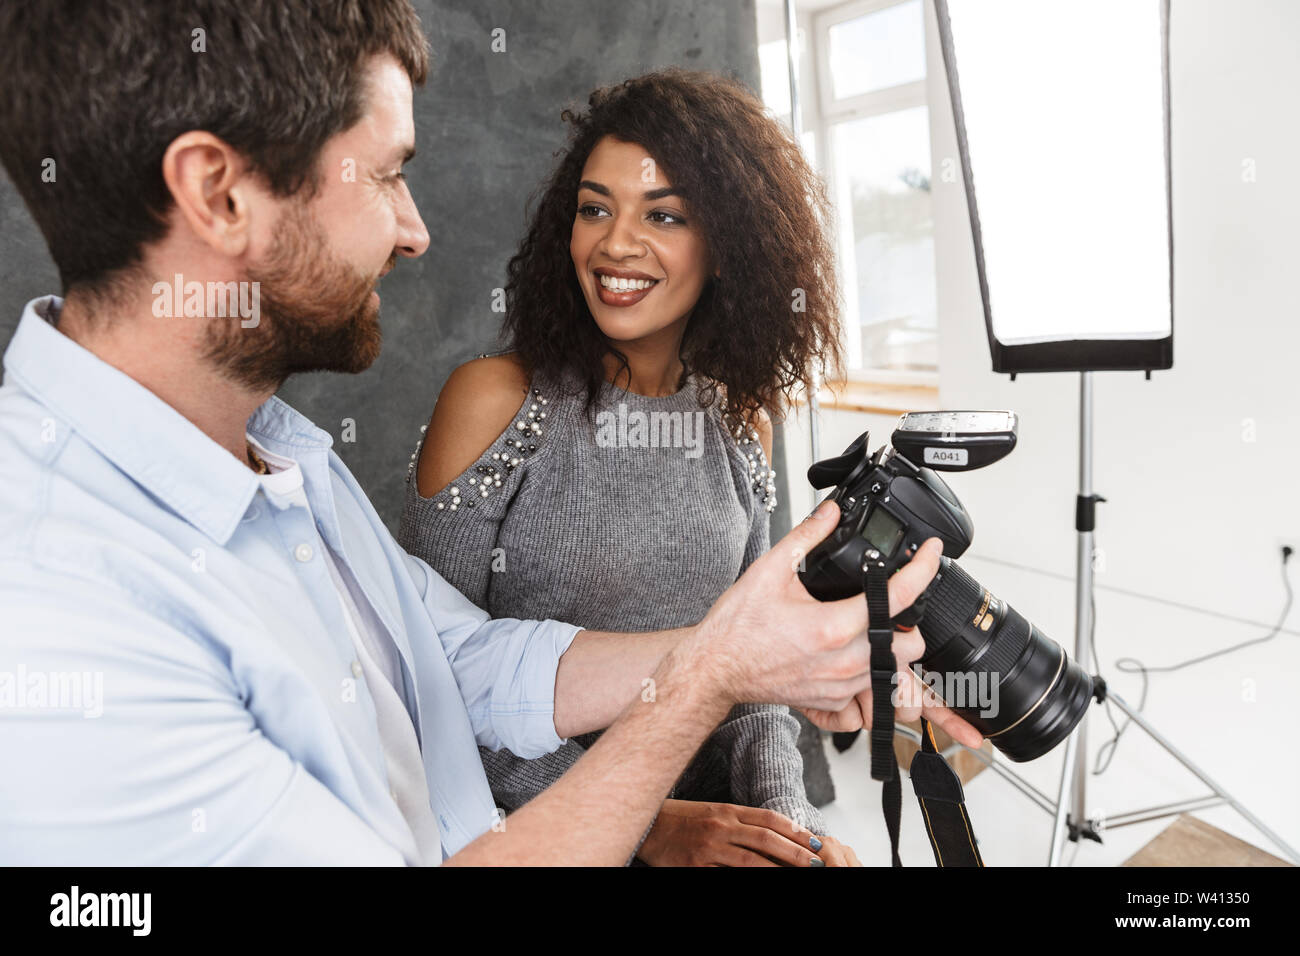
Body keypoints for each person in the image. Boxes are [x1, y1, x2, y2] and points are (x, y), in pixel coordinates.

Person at [0, 0, 981, 866]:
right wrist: (698, 701)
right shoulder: (54, 609)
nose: (415, 229)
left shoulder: (284, 457)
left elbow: (467, 662)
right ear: (217, 194)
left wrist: (757, 653)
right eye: (386, 175)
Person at [399, 70, 858, 865]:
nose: (615, 243)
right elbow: (431, 685)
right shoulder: (494, 401)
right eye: (595, 208)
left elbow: (754, 677)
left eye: (665, 215)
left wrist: (789, 831)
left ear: (728, 247)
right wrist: (652, 826)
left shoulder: (740, 419)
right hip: (547, 839)